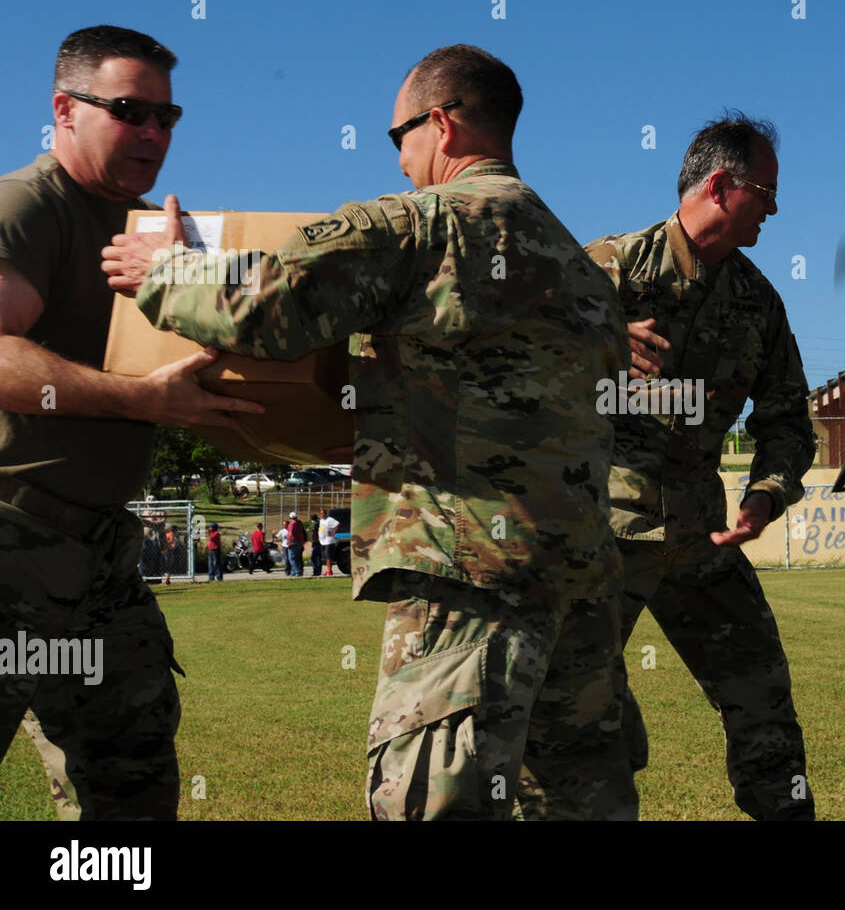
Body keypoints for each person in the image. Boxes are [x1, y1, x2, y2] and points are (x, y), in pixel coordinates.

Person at [103, 44, 637, 820]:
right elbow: (503, 398)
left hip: (468, 584)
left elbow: (270, 306)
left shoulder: (423, 226)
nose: (399, 161)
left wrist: (165, 268)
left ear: (442, 125)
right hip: (582, 589)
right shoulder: (579, 267)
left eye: (399, 137)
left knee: (434, 804)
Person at [0, 25, 260, 820]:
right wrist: (140, 400)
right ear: (63, 110)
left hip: (100, 557)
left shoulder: (156, 235)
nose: (153, 132)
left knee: (132, 786)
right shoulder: (28, 205)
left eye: (166, 117)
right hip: (11, 541)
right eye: (128, 111)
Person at [581, 113, 816, 821]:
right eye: (764, 192)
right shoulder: (607, 270)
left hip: (702, 539)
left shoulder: (758, 301)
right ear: (719, 186)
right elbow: (515, 368)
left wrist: (768, 491)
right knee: (578, 715)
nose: (774, 209)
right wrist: (598, 342)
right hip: (604, 538)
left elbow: (787, 417)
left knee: (764, 702)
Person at [318, 510, 340, 576]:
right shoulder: (321, 521)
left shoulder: (329, 519)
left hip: (329, 541)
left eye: (324, 513)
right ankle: (328, 570)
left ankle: (329, 571)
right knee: (325, 557)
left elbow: (338, 524)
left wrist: (333, 532)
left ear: (326, 514)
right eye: (321, 513)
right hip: (322, 542)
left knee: (328, 557)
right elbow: (321, 529)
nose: (323, 514)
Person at [286, 510, 306, 577]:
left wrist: (289, 542)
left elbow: (290, 534)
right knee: (297, 558)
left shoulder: (291, 524)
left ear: (290, 517)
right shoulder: (299, 523)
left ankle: (297, 571)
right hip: (299, 542)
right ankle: (293, 572)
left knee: (291, 558)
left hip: (293, 542)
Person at [308, 512, 323, 576]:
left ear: (311, 518)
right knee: (319, 557)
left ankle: (315, 571)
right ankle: (319, 571)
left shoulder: (314, 524)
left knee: (313, 558)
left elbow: (314, 533)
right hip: (320, 541)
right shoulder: (319, 523)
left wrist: (312, 541)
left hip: (315, 542)